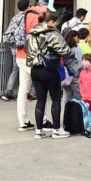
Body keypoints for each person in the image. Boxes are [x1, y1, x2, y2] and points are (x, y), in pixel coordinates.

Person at [25, 10, 72, 139]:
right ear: (52, 21)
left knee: (40, 100)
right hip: (49, 70)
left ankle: (38, 131)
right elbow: (65, 50)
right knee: (56, 99)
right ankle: (57, 130)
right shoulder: (52, 33)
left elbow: (26, 49)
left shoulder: (31, 33)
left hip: (35, 70)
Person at [15, 0, 51, 131]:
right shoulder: (36, 16)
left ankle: (23, 121)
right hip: (31, 56)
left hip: (19, 55)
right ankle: (44, 119)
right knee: (43, 85)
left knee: (23, 90)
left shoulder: (19, 16)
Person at [1, 0, 31, 101]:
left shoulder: (15, 17)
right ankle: (27, 93)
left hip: (14, 48)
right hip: (23, 49)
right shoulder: (27, 17)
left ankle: (8, 92)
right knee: (28, 71)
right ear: (28, 6)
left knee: (15, 69)